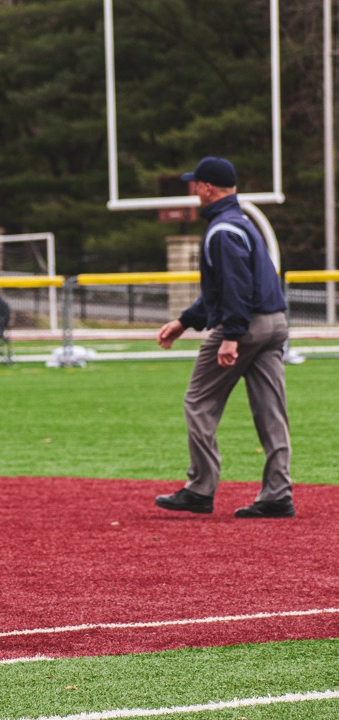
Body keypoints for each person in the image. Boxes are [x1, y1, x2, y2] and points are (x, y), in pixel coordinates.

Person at [155, 156, 294, 519]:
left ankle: (200, 489)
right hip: (274, 323)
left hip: (245, 325)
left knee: (199, 401)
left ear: (206, 188)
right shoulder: (243, 224)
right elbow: (227, 288)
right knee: (271, 411)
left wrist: (231, 335)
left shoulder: (221, 230)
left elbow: (234, 288)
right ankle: (278, 494)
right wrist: (185, 321)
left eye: (195, 184)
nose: (193, 190)